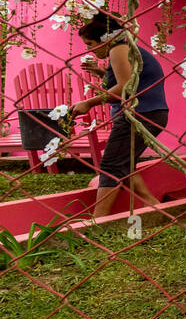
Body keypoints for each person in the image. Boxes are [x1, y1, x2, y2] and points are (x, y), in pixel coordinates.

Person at [71, 12, 170, 219]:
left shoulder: (119, 49)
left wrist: (89, 103)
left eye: (90, 43)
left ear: (106, 39)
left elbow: (125, 86)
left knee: (111, 165)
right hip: (152, 113)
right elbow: (131, 79)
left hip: (140, 115)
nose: (88, 49)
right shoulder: (127, 48)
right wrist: (100, 72)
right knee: (125, 165)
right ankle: (154, 206)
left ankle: (98, 221)